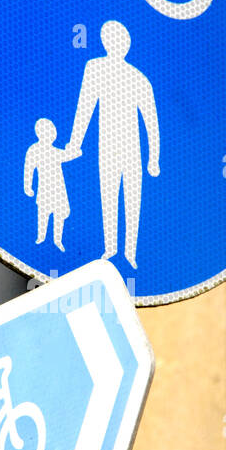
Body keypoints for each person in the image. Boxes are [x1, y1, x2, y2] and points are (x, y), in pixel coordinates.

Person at [65, 20, 159, 269]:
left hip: (132, 148)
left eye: (121, 40)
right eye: (112, 39)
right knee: (108, 195)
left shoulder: (138, 78)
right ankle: (110, 247)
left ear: (127, 45)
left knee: (132, 197)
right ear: (105, 42)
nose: (117, 44)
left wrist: (154, 158)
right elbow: (84, 108)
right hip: (107, 146)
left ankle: (130, 251)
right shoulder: (94, 68)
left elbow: (151, 120)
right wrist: (75, 143)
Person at [23, 117, 73, 250]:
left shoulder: (54, 150)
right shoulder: (34, 150)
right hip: (44, 189)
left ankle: (58, 240)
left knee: (59, 214)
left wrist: (75, 151)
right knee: (43, 213)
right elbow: (29, 169)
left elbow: (66, 156)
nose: (52, 134)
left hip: (58, 188)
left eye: (53, 131)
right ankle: (41, 237)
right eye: (49, 131)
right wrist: (27, 186)